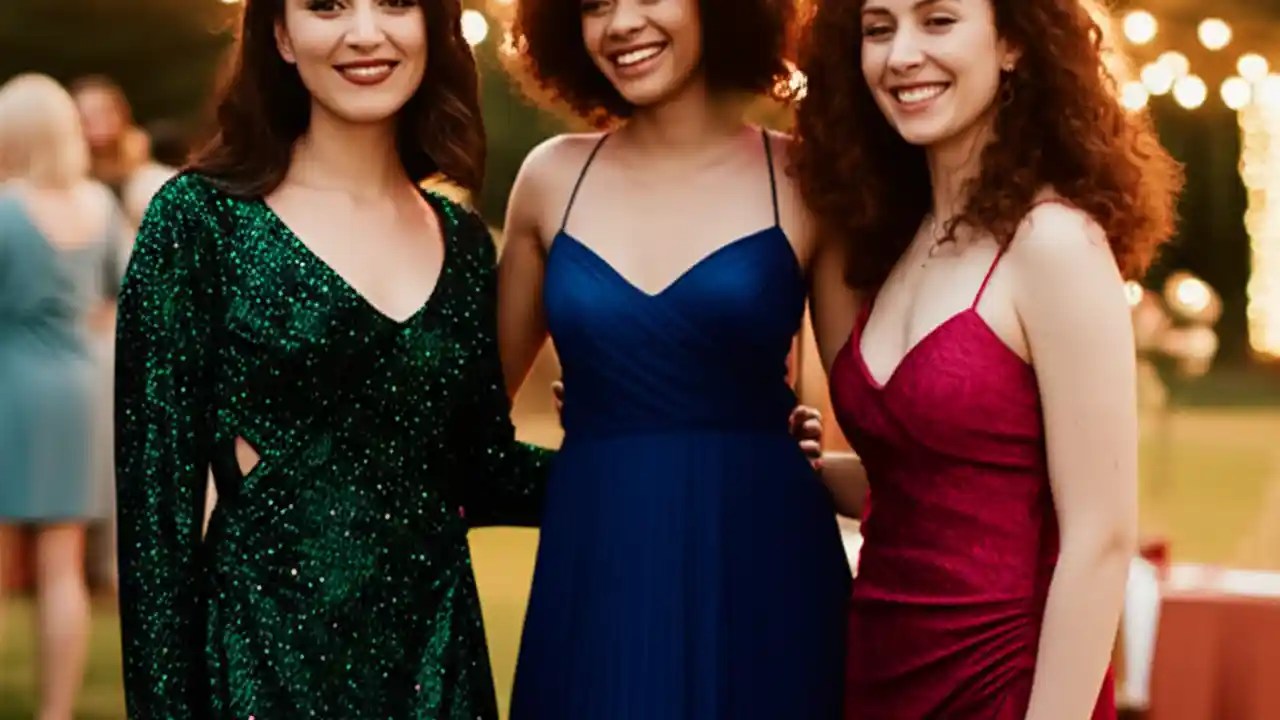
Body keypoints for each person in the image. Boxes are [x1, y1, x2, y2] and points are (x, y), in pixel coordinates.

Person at [113, 0, 552, 717]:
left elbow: (481, 471)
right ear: (281, 35)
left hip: (436, 675)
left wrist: (645, 443)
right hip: (262, 674)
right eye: (326, 5)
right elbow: (154, 530)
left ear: (432, 27)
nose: (365, 33)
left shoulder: (465, 243)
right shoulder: (199, 224)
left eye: (396, 3)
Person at [792, 0, 1183, 717]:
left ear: (1013, 44)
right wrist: (801, 472)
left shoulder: (1055, 244)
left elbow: (1101, 536)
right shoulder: (898, 243)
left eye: (938, 21)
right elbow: (931, 487)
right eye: (879, 29)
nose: (901, 55)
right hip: (877, 676)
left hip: (1005, 687)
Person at [498, 0, 851, 716]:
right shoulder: (550, 179)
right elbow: (464, 411)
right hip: (596, 563)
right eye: (595, 5)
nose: (622, 23)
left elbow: (887, 417)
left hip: (765, 563)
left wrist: (823, 465)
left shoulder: (805, 180)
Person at [0, 72, 124, 720]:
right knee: (62, 566)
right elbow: (122, 296)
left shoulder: (4, 209)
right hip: (79, 394)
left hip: (11, 384)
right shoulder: (99, 205)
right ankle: (56, 711)